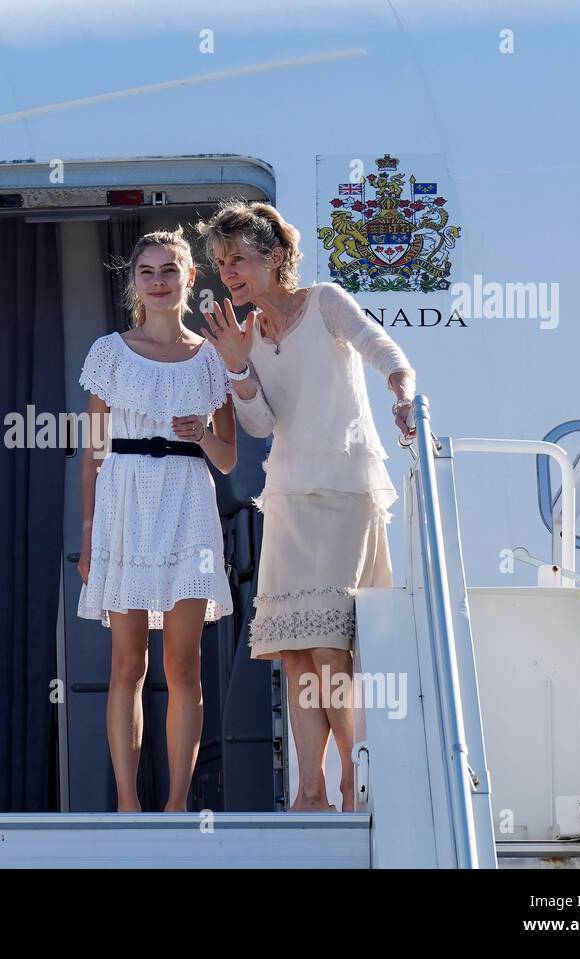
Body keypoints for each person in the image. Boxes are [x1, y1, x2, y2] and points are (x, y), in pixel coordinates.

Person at [198, 200, 416, 812]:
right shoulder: (245, 337)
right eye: (221, 263)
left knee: (328, 646)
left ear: (275, 259)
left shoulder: (324, 301)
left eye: (238, 259)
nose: (229, 272)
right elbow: (263, 423)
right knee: (294, 653)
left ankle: (354, 777)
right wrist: (240, 367)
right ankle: (310, 790)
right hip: (289, 498)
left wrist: (403, 394)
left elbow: (382, 349)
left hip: (348, 492)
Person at [76, 228, 237, 813]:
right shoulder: (109, 351)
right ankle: (127, 803)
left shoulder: (213, 358)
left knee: (183, 663)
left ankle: (175, 803)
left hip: (188, 505)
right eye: (148, 271)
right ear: (135, 282)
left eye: (170, 270)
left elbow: (228, 457)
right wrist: (89, 534)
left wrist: (202, 434)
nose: (160, 281)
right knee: (128, 662)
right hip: (124, 501)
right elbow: (93, 450)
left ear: (190, 278)